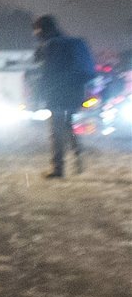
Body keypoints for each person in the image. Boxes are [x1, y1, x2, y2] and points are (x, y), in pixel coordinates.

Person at [33, 15, 94, 178]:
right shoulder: (69, 43)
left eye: (36, 30)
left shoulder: (50, 45)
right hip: (74, 93)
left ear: (42, 29)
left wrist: (38, 96)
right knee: (68, 126)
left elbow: (46, 73)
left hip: (57, 94)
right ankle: (78, 157)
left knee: (56, 130)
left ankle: (58, 168)